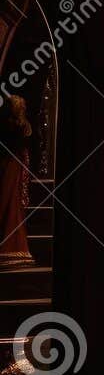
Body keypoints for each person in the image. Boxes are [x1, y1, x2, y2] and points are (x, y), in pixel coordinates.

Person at [0, 95, 34, 267]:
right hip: (13, 164)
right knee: (10, 201)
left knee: (10, 201)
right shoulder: (18, 126)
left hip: (12, 164)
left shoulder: (14, 125)